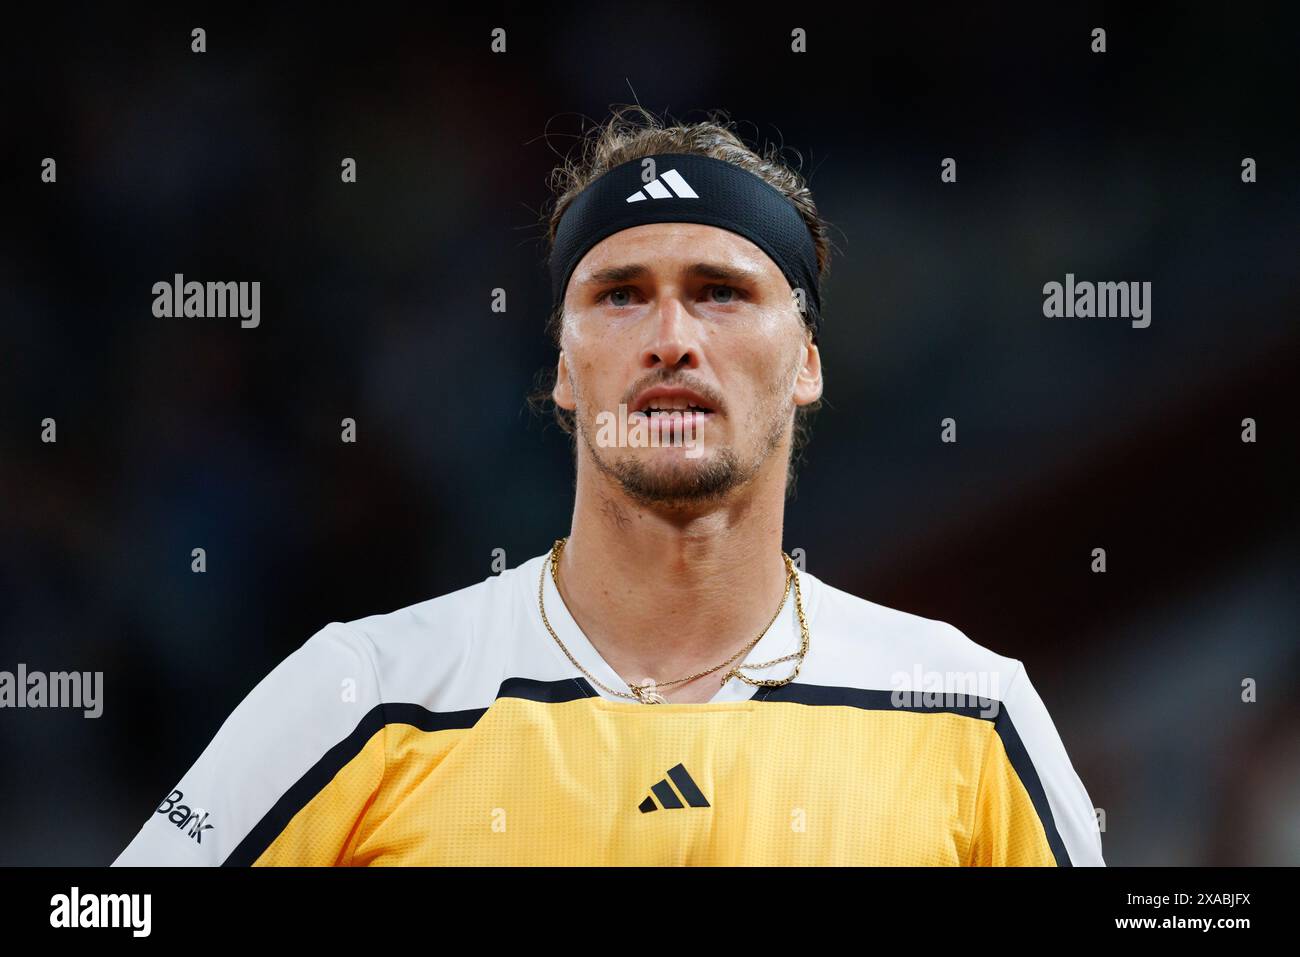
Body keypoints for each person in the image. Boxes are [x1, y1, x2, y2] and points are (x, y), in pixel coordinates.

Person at [113, 108, 1104, 866]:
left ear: (804, 359)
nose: (671, 338)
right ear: (562, 366)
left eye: (721, 292)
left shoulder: (967, 712)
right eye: (620, 295)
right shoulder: (364, 697)